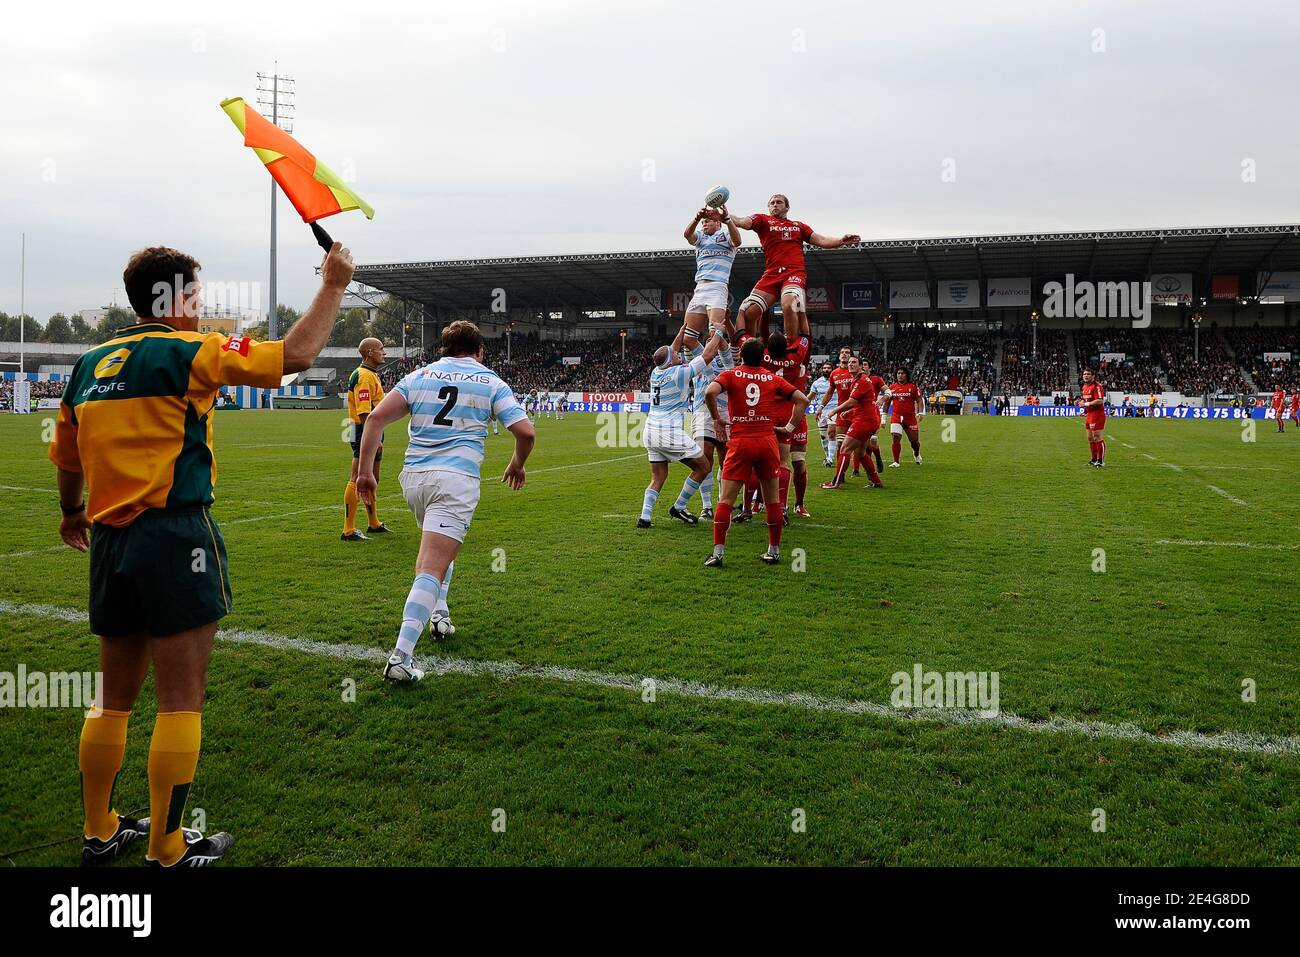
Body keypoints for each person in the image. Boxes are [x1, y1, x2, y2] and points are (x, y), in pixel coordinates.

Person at [49, 241, 354, 866]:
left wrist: (71, 511)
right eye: (197, 292)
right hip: (175, 536)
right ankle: (165, 847)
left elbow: (67, 457)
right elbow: (293, 356)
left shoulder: (89, 362)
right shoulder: (194, 351)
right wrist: (334, 285)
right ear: (176, 297)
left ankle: (99, 828)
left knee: (112, 698)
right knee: (179, 699)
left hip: (109, 542)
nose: (203, 302)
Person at [357, 320, 535, 681]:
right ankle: (400, 659)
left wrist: (364, 472)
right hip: (455, 480)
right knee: (431, 565)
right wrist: (517, 463)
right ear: (480, 350)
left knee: (439, 551)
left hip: (414, 481)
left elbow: (375, 419)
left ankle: (439, 616)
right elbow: (526, 432)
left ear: (444, 347)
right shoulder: (490, 381)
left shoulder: (418, 375)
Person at [702, 337, 809, 568]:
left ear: (741, 355)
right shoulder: (772, 377)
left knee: (726, 500)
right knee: (772, 501)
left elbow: (710, 392)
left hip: (741, 442)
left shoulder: (731, 375)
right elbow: (801, 400)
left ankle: (718, 554)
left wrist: (716, 420)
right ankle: (774, 551)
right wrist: (789, 427)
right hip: (767, 441)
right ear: (763, 358)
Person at [723, 195, 858, 342]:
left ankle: (790, 348)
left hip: (793, 273)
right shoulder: (762, 220)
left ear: (787, 207)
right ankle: (751, 353)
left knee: (788, 304)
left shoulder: (798, 226)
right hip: (771, 274)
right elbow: (742, 222)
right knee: (750, 311)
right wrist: (726, 216)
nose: (775, 205)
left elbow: (822, 240)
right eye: (772, 203)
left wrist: (841, 240)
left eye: (779, 202)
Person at [639, 326, 728, 527]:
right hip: (668, 432)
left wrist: (681, 331)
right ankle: (679, 506)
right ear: (671, 361)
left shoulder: (656, 372)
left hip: (650, 431)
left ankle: (645, 517)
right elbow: (708, 355)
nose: (679, 355)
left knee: (658, 476)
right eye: (676, 355)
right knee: (704, 466)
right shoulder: (680, 373)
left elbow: (672, 349)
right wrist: (719, 333)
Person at [342, 337, 389, 542]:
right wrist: (374, 436)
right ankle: (349, 530)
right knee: (357, 476)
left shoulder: (370, 374)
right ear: (369, 352)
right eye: (381, 349)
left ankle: (373, 523)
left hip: (369, 429)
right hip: (363, 429)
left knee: (372, 478)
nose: (384, 353)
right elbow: (363, 412)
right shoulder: (363, 376)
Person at [819, 358, 885, 489]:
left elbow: (852, 401)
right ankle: (876, 481)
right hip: (867, 419)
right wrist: (849, 412)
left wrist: (835, 411)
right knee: (860, 453)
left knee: (845, 448)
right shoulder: (857, 380)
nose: (850, 364)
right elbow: (863, 403)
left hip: (864, 421)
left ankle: (836, 483)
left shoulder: (861, 381)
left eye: (854, 362)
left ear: (861, 366)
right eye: (849, 363)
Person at [682, 204, 742, 347]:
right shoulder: (700, 237)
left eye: (707, 221)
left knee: (715, 334)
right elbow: (687, 234)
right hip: (699, 289)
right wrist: (697, 218)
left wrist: (728, 220)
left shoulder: (725, 235)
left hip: (717, 288)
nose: (704, 224)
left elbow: (738, 241)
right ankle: (704, 369)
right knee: (687, 338)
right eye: (703, 222)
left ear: (718, 223)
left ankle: (728, 366)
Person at [884, 368, 923, 466]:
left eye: (902, 373)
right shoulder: (892, 387)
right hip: (896, 417)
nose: (900, 375)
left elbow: (919, 400)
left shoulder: (913, 387)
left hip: (910, 418)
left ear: (906, 375)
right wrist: (883, 417)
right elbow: (887, 403)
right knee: (895, 437)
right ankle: (896, 461)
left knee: (914, 441)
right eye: (898, 373)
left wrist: (920, 412)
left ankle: (916, 453)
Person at [1080, 369, 1107, 466]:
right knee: (1090, 438)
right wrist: (1083, 406)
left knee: (1097, 437)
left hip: (1097, 414)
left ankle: (1101, 461)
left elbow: (1099, 400)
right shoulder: (1084, 387)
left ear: (1093, 376)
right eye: (1084, 374)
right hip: (1089, 414)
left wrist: (1086, 403)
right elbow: (1086, 400)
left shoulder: (1097, 386)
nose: (1086, 376)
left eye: (1088, 374)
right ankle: (1094, 460)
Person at [808, 362, 833, 465]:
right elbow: (810, 396)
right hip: (821, 412)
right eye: (825, 368)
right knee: (823, 436)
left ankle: (830, 459)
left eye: (828, 368)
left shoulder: (835, 381)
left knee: (831, 432)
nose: (826, 370)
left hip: (834, 410)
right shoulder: (816, 383)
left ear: (832, 369)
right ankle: (827, 455)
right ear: (822, 370)